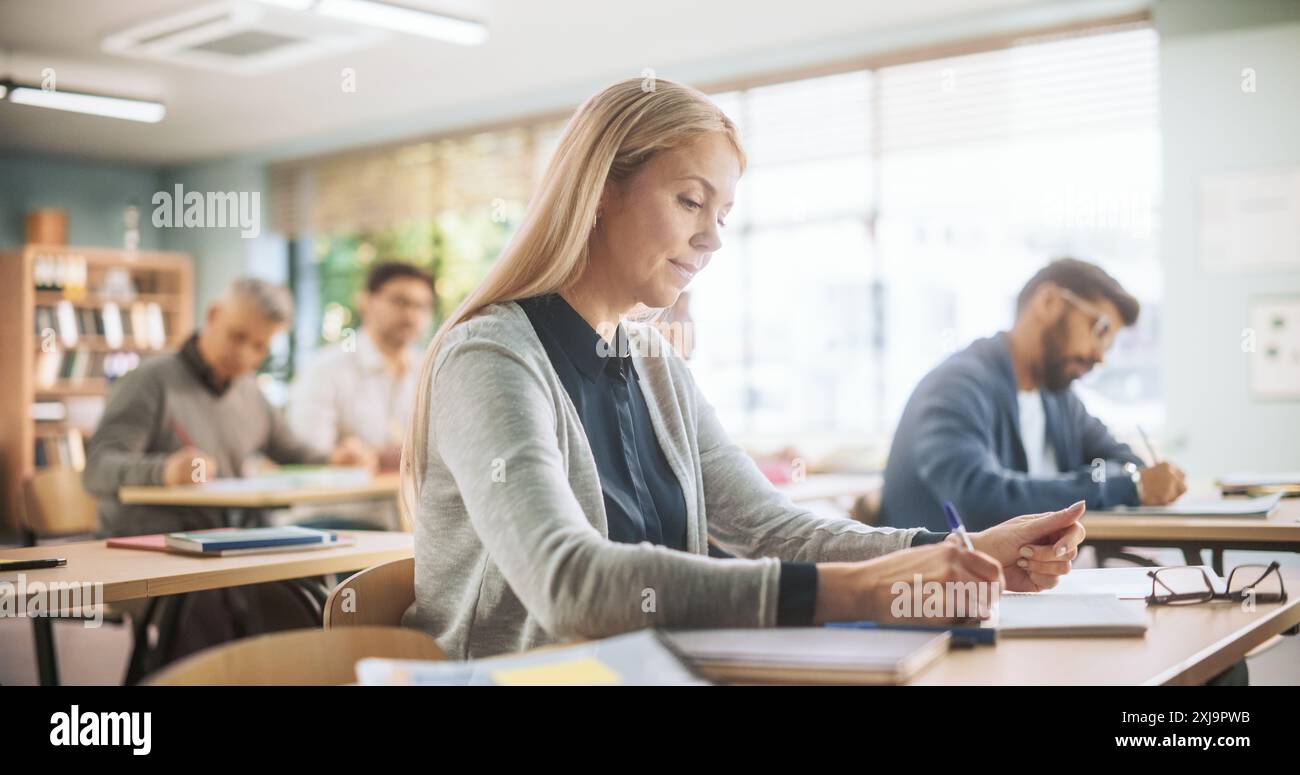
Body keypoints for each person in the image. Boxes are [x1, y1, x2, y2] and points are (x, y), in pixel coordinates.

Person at [398, 77, 1087, 660]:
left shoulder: (653, 363)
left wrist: (967, 550)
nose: (713, 237)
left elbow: (773, 528)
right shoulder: (490, 356)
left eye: (723, 213)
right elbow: (567, 582)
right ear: (602, 190)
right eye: (691, 201)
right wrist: (863, 591)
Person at [881, 258, 1187, 533]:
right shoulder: (956, 387)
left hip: (1022, 586)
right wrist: (1120, 487)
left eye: (1109, 344)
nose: (1100, 356)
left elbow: (1122, 461)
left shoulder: (1057, 399)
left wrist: (1114, 482)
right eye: (1100, 330)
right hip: (941, 590)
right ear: (1048, 302)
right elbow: (980, 502)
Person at [84, 277, 375, 537]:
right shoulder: (148, 381)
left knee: (351, 546)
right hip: (159, 553)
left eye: (260, 346)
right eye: (237, 337)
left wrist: (337, 459)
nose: (244, 355)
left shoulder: (249, 391)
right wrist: (165, 471)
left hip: (231, 543)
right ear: (212, 315)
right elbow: (97, 470)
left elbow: (293, 452)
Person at [290, 261, 434, 472]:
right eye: (400, 302)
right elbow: (309, 454)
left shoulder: (430, 370)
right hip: (342, 502)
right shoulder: (326, 368)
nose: (412, 315)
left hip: (409, 503)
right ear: (365, 302)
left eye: (422, 306)